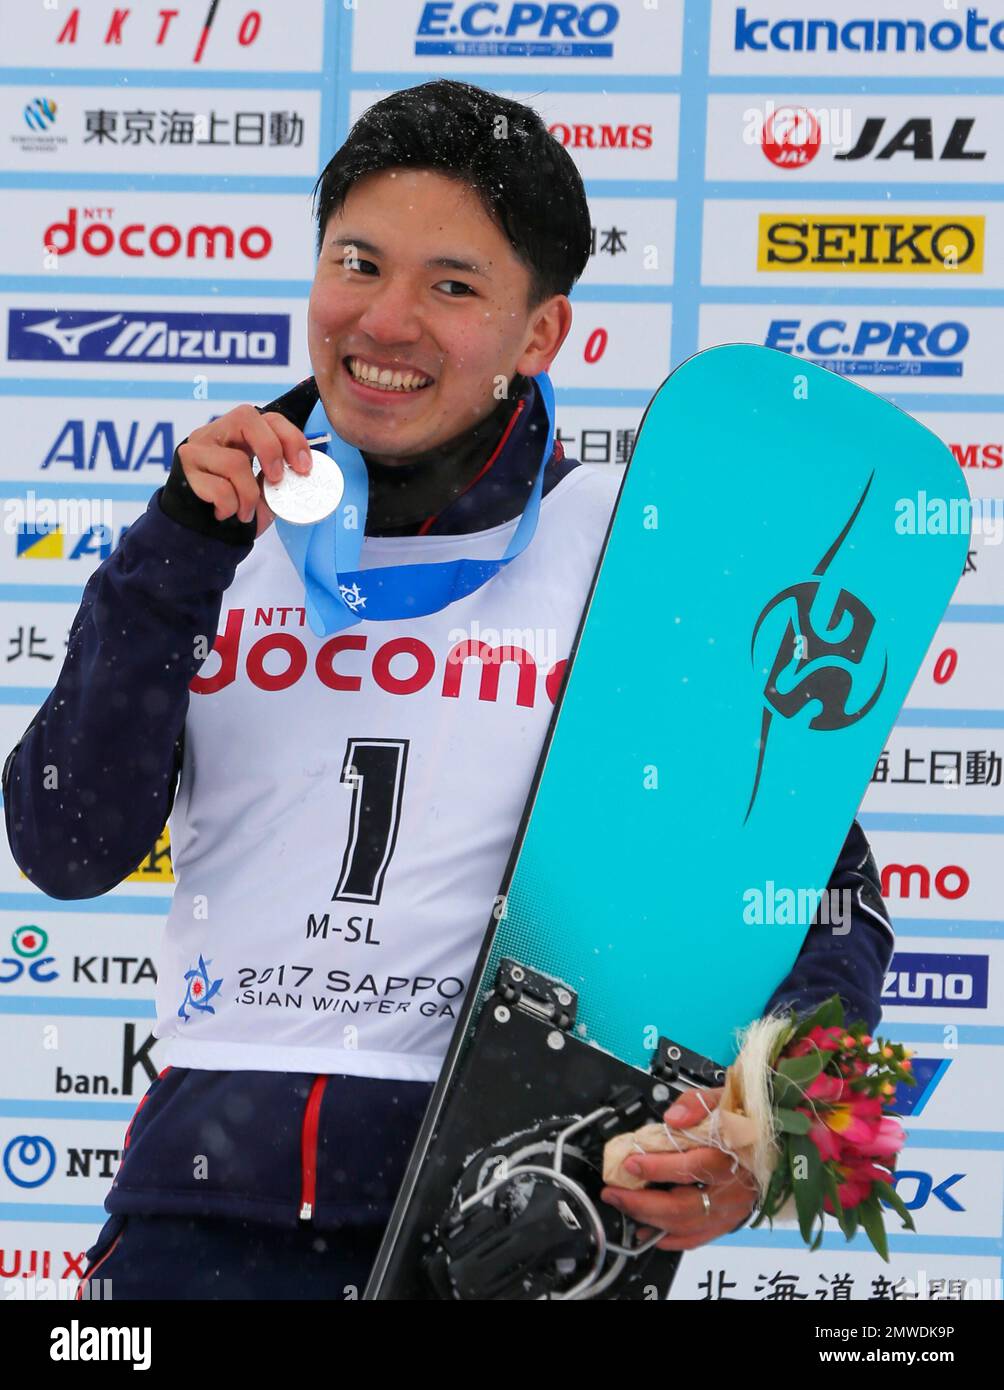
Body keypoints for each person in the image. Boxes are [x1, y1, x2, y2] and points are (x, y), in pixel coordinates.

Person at [3, 80, 894, 1300]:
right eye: (356, 262)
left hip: (497, 1225)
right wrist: (170, 555)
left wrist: (770, 1133)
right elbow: (67, 846)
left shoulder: (631, 557)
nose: (386, 319)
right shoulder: (212, 533)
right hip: (190, 1224)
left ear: (540, 334)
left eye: (454, 285)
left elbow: (821, 892)